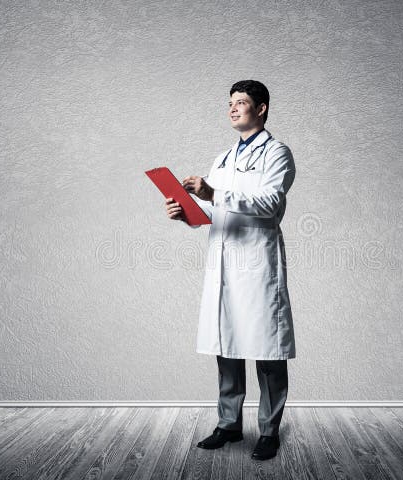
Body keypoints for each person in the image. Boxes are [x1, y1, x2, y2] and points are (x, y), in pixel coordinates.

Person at [164, 80, 295, 461]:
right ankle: (229, 424)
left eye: (241, 103)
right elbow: (213, 211)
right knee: (227, 343)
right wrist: (187, 213)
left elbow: (269, 203)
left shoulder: (277, 153)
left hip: (256, 262)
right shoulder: (222, 158)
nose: (233, 109)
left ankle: (269, 431)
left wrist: (212, 194)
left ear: (262, 108)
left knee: (267, 348)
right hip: (223, 261)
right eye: (230, 103)